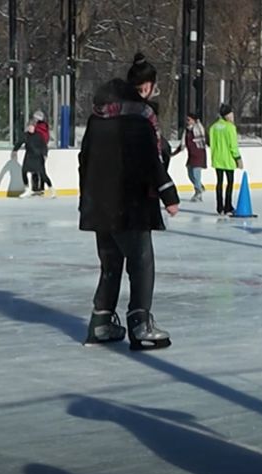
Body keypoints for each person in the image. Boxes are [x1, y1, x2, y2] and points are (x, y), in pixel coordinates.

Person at [78, 53, 180, 351]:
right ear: (147, 86)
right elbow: (150, 160)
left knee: (110, 263)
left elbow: (84, 160)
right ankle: (140, 323)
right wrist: (169, 194)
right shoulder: (139, 119)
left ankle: (101, 322)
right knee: (141, 261)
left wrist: (87, 198)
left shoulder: (98, 117)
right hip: (130, 204)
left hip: (99, 204)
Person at [208, 105, 241, 216]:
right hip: (228, 160)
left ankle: (219, 207)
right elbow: (233, 145)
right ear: (227, 115)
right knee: (230, 183)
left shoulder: (213, 127)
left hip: (217, 158)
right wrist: (238, 158)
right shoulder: (230, 128)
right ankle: (228, 206)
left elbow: (211, 143)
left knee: (219, 182)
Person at [172, 111, 208, 202]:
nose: (187, 121)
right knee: (190, 175)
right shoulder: (187, 131)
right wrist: (173, 154)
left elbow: (205, 139)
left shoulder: (198, 129)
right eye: (187, 120)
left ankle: (198, 193)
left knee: (196, 175)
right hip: (191, 156)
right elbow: (182, 145)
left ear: (194, 120)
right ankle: (200, 187)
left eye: (189, 119)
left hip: (199, 155)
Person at [14, 121, 55, 198]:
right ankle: (27, 189)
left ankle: (51, 189)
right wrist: (15, 150)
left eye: (32, 126)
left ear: (34, 127)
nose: (30, 128)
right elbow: (19, 142)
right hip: (29, 157)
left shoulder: (39, 136)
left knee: (43, 175)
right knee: (24, 171)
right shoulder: (25, 135)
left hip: (38, 157)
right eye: (29, 127)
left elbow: (44, 146)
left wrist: (45, 154)